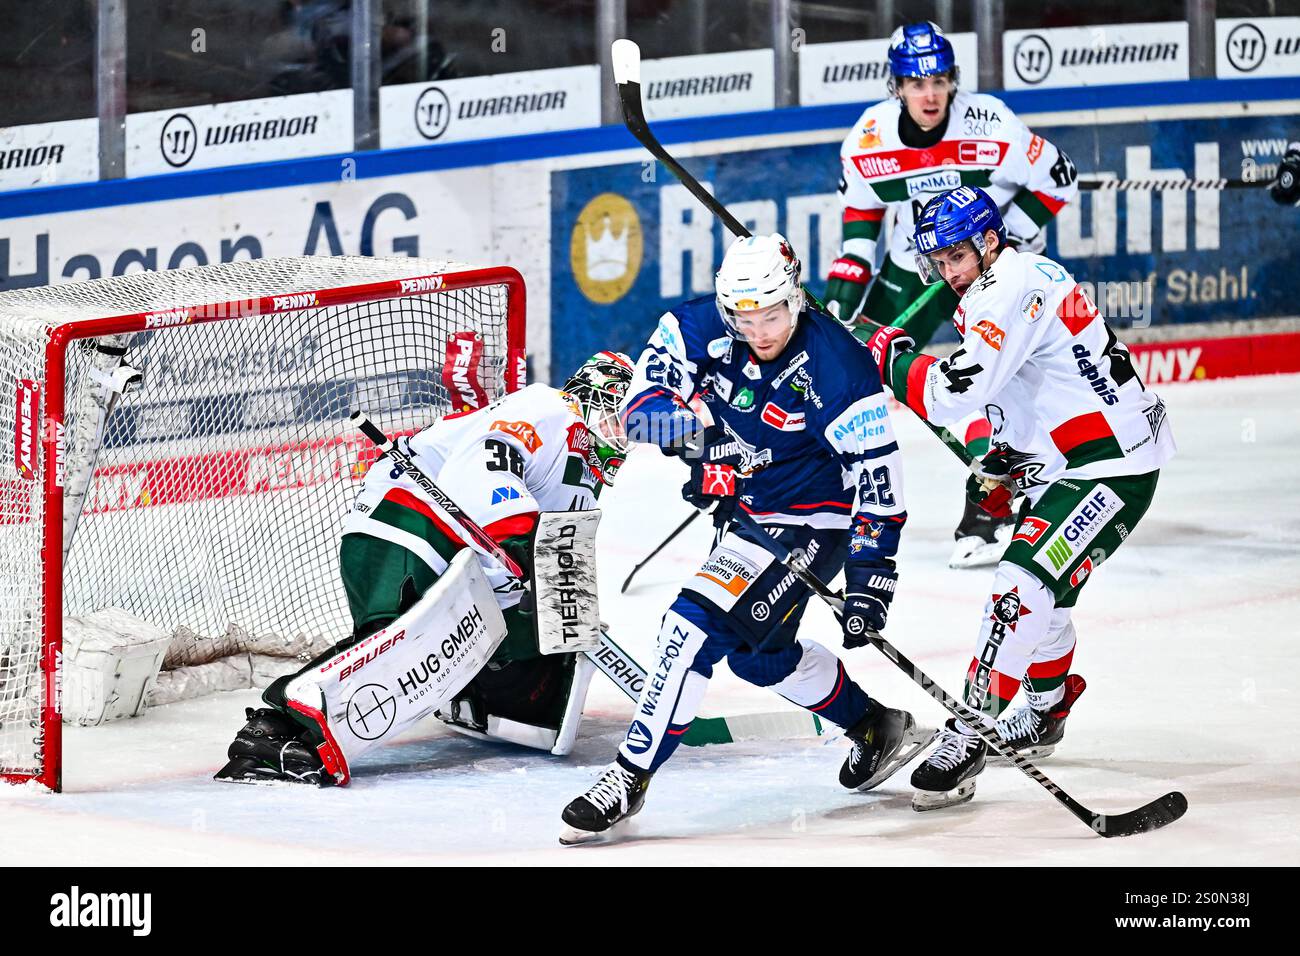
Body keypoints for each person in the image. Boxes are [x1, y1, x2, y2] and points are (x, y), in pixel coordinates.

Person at [558, 234, 927, 844]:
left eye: (773, 315)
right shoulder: (695, 325)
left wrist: (869, 584)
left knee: (690, 629)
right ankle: (874, 726)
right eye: (746, 317)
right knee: (760, 659)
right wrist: (701, 451)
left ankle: (627, 777)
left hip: (815, 519)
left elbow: (880, 488)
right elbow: (644, 401)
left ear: (797, 298)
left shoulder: (839, 368)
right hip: (750, 514)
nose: (760, 330)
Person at [865, 186, 1176, 809]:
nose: (948, 272)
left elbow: (955, 392)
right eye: (939, 261)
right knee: (1047, 596)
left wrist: (891, 359)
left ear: (987, 241)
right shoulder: (1000, 285)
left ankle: (971, 728)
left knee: (1020, 589)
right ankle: (1045, 707)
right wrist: (1007, 457)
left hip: (1110, 467)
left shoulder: (1013, 287)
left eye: (957, 256)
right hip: (1066, 461)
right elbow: (1018, 385)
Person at [214, 352, 635, 785]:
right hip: (407, 514)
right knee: (400, 640)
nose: (625, 434)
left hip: (466, 548)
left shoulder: (588, 468)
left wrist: (562, 617)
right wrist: (519, 541)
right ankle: (274, 728)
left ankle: (474, 697)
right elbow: (484, 464)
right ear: (592, 397)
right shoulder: (547, 407)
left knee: (521, 658)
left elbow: (553, 557)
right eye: (620, 417)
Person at [825, 20, 1079, 568]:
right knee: (851, 368)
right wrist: (835, 309)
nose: (930, 93)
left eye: (939, 79)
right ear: (896, 86)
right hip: (911, 270)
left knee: (970, 383)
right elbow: (860, 229)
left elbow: (1060, 177)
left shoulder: (992, 125)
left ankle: (996, 494)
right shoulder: (870, 139)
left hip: (977, 271)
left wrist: (1011, 237)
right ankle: (821, 496)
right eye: (916, 83)